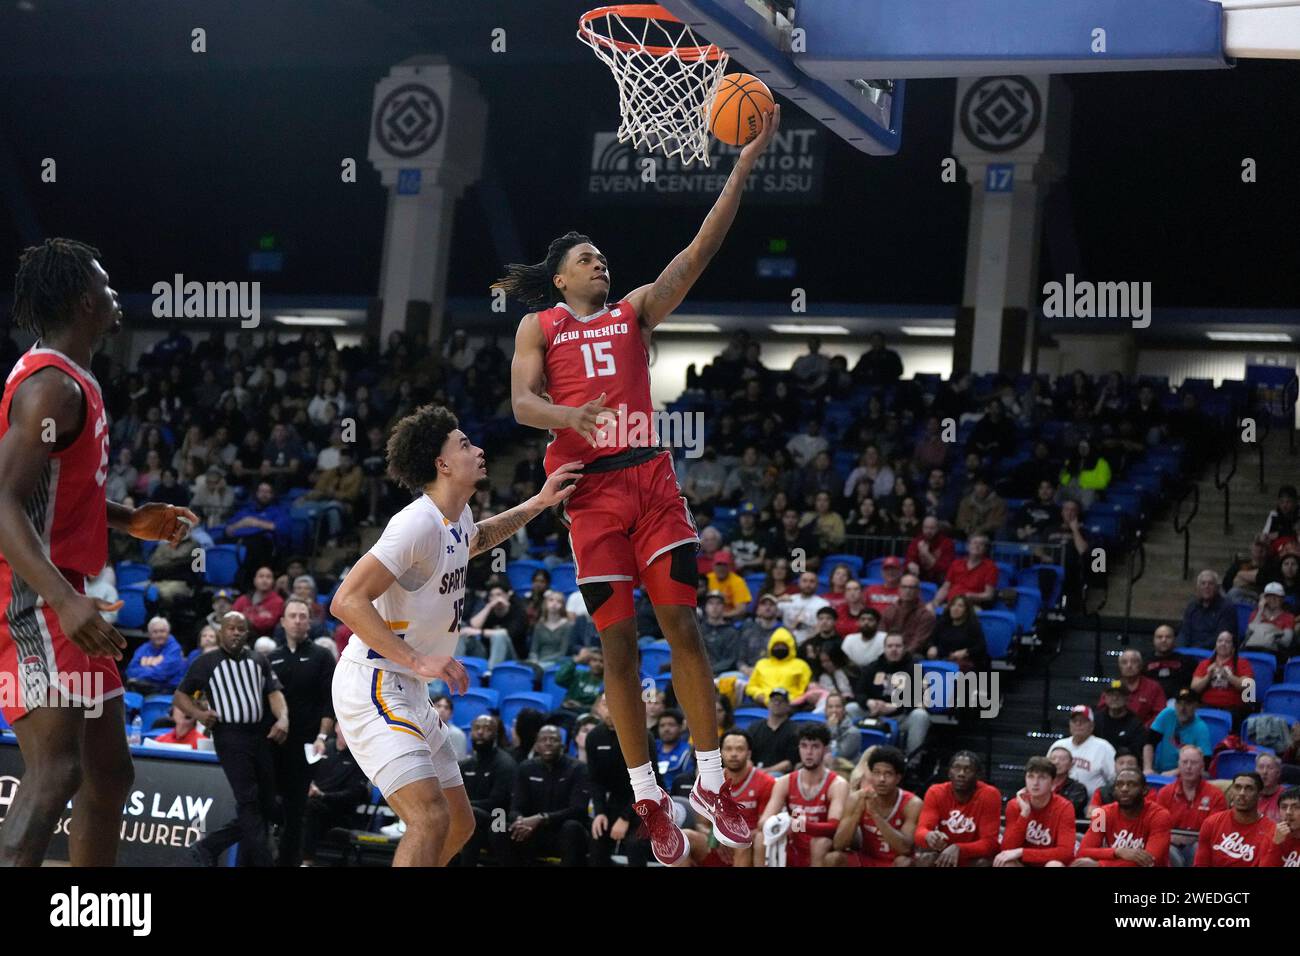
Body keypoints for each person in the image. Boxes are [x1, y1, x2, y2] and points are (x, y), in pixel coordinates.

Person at [505, 115, 783, 864]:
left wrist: (746, 162)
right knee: (618, 650)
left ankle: (708, 781)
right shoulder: (541, 326)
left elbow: (699, 250)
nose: (601, 264)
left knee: (684, 629)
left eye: (603, 257)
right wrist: (572, 415)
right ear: (561, 276)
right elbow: (522, 406)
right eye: (587, 259)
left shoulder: (633, 311)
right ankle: (649, 796)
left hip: (652, 481)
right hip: (590, 497)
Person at [0, 238, 200, 867]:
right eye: (108, 286)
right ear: (87, 300)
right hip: (34, 596)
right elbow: (2, 501)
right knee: (56, 773)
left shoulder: (69, 377)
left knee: (108, 774)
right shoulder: (52, 387)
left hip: (62, 591)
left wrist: (128, 518)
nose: (117, 297)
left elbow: (54, 494)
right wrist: (63, 601)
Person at [329, 403, 577, 867]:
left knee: (460, 823)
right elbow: (346, 601)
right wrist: (417, 659)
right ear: (442, 464)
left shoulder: (454, 519)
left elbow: (475, 540)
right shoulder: (415, 523)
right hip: (374, 683)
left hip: (410, 689)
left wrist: (538, 504)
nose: (479, 449)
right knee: (428, 818)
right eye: (465, 444)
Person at [176, 611, 289, 866]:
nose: (236, 632)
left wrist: (283, 719)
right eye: (231, 628)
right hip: (229, 735)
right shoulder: (206, 663)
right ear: (220, 632)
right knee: (249, 801)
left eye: (241, 628)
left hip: (260, 735)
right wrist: (199, 714)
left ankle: (207, 847)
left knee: (269, 804)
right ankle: (264, 862)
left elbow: (274, 693)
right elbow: (181, 696)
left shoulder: (259, 660)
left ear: (247, 633)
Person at [266, 596, 337, 866]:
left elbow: (330, 701)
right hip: (274, 745)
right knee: (266, 806)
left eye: (302, 616)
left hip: (307, 745)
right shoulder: (271, 659)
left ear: (309, 622)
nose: (297, 620)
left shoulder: (322, 656)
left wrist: (322, 737)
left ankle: (289, 863)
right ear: (282, 622)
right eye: (292, 616)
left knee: (296, 812)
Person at [490, 725, 591, 867]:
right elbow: (515, 807)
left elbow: (578, 810)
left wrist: (541, 818)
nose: (548, 743)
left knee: (572, 827)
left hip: (561, 831)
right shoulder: (525, 767)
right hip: (531, 830)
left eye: (553, 739)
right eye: (543, 740)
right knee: (498, 827)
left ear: (562, 745)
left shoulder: (578, 769)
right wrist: (520, 821)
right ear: (536, 746)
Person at [755, 725, 848, 868]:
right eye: (804, 746)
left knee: (821, 843)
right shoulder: (785, 782)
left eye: (815, 747)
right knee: (761, 837)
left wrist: (798, 825)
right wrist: (781, 822)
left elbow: (835, 827)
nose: (808, 752)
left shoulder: (837, 784)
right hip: (792, 841)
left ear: (826, 750)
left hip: (819, 845)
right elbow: (763, 822)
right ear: (798, 748)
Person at [587, 694, 658, 867]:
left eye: (615, 704)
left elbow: (649, 782)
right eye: (605, 705)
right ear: (597, 709)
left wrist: (625, 818)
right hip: (615, 802)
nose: (610, 710)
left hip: (645, 802)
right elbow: (595, 780)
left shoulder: (641, 735)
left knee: (634, 844)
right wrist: (600, 812)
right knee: (597, 839)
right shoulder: (594, 737)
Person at [690, 729, 773, 867]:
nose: (734, 754)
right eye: (728, 749)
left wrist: (733, 838)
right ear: (720, 752)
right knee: (687, 837)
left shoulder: (766, 782)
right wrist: (720, 838)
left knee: (741, 843)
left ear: (749, 753)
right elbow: (701, 824)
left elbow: (764, 828)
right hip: (716, 843)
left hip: (748, 847)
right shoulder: (710, 783)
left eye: (740, 749)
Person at [828, 746, 921, 868]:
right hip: (866, 859)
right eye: (877, 773)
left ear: (898, 778)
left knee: (905, 862)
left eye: (888, 774)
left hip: (893, 861)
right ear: (871, 774)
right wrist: (858, 813)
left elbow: (905, 849)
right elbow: (838, 844)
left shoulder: (912, 804)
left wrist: (875, 815)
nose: (881, 779)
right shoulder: (857, 798)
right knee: (833, 858)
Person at [912, 751, 1001, 867]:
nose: (961, 774)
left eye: (968, 769)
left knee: (983, 863)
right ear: (949, 772)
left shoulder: (989, 794)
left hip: (973, 856)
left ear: (978, 775)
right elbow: (920, 832)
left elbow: (990, 843)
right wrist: (929, 836)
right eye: (956, 768)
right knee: (924, 859)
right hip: (943, 854)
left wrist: (959, 848)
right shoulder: (935, 792)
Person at [300, 725, 371, 867]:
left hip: (340, 812)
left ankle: (306, 861)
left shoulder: (359, 757)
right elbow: (306, 776)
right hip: (315, 803)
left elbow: (353, 795)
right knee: (291, 804)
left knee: (310, 808)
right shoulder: (323, 748)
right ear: (336, 728)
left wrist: (323, 795)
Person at [854, 632, 932, 758]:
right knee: (851, 708)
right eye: (890, 646)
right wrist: (869, 703)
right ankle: (850, 754)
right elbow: (858, 693)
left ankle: (912, 761)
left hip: (901, 716)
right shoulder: (872, 667)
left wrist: (896, 706)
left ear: (904, 648)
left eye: (898, 646)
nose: (893, 649)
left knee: (920, 715)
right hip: (874, 712)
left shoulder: (914, 667)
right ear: (884, 648)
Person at [1074, 769, 1172, 867]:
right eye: (1119, 784)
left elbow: (1150, 861)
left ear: (1144, 790)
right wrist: (1117, 852)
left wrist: (1101, 865)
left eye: (1132, 784)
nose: (1124, 789)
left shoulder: (1160, 816)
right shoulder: (1101, 814)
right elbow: (1083, 851)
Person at [454, 715, 517, 868]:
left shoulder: (505, 764)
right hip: (471, 819)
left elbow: (498, 802)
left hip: (500, 819)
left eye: (487, 729)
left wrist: (464, 806)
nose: (481, 732)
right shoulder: (464, 765)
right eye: (477, 728)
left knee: (472, 816)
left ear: (495, 734)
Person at [995, 756, 1076, 867]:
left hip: (1047, 863)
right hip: (1022, 863)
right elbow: (1007, 849)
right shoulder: (1014, 805)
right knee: (1005, 862)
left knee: (1054, 865)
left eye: (1042, 778)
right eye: (1030, 777)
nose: (1035, 783)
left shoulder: (1065, 807)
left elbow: (1065, 853)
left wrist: (1022, 852)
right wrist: (1024, 814)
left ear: (1053, 783)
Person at [1155, 745, 1228, 867]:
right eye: (1184, 762)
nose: (1188, 767)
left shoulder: (1216, 795)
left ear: (1202, 766)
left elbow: (1216, 831)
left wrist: (1192, 838)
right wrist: (1171, 838)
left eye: (1193, 762)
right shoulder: (1165, 793)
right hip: (1172, 844)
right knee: (1165, 849)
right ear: (1179, 765)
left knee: (1199, 848)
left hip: (1201, 845)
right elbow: (1158, 827)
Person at [1195, 772, 1276, 867]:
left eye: (1249, 788)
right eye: (1237, 787)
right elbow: (1201, 863)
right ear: (1231, 792)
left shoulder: (1271, 830)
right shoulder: (1211, 823)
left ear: (1259, 794)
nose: (1242, 793)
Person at [1047, 705, 1117, 797]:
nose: (1078, 724)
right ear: (1069, 724)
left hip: (1092, 806)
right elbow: (1045, 772)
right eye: (1074, 721)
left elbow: (1114, 779)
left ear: (1092, 725)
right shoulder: (1058, 745)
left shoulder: (1104, 747)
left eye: (1083, 721)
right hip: (1058, 802)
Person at [1189, 630, 1255, 723]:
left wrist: (1229, 676)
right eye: (1220, 641)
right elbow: (1194, 688)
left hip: (1233, 709)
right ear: (1215, 645)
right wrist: (1208, 677)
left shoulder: (1242, 663)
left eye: (1227, 642)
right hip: (1207, 706)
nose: (1223, 644)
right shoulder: (1205, 664)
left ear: (1233, 647)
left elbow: (1248, 686)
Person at [1144, 688, 1212, 774]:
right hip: (1160, 772)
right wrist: (1147, 768)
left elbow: (1204, 764)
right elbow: (1149, 743)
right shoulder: (1167, 714)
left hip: (1186, 775)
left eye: (1188, 704)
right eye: (1179, 703)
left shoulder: (1201, 728)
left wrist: (1176, 772)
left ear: (1196, 706)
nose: (1182, 708)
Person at [743, 628, 812, 708]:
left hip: (791, 704)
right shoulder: (761, 664)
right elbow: (751, 686)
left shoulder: (801, 665)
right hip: (762, 703)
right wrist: (759, 695)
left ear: (790, 647)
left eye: (783, 646)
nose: (779, 648)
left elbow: (804, 690)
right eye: (776, 646)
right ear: (770, 647)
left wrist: (790, 700)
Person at [1097, 648, 1166, 727]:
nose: (1129, 666)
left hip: (1145, 732)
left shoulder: (1153, 687)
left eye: (1133, 662)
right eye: (1124, 662)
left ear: (1140, 665)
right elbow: (1101, 710)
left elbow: (1161, 715)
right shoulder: (1112, 686)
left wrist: (1143, 728)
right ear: (1120, 667)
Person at [930, 533, 999, 610]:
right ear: (967, 547)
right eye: (974, 543)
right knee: (928, 609)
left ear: (985, 549)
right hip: (950, 603)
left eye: (981, 544)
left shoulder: (990, 567)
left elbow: (989, 595)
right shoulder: (956, 563)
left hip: (972, 605)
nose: (977, 546)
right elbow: (945, 588)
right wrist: (936, 602)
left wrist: (971, 596)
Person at [124, 616, 188, 695]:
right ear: (150, 634)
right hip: (142, 687)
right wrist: (150, 670)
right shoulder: (143, 648)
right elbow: (130, 671)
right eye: (155, 632)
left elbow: (162, 674)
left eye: (162, 631)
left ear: (168, 633)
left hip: (168, 691)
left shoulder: (175, 649)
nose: (159, 635)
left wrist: (142, 671)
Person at [1178, 570, 1239, 650]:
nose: (1206, 586)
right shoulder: (1192, 606)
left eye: (1210, 584)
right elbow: (1184, 633)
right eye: (1203, 583)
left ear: (1217, 587)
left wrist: (1195, 650)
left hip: (1213, 653)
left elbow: (1221, 638)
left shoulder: (1227, 608)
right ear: (1198, 587)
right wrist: (1181, 649)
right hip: (1190, 652)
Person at [928, 594, 990, 671]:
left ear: (966, 610)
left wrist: (966, 652)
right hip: (942, 661)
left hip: (964, 664)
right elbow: (932, 640)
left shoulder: (973, 626)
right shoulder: (942, 624)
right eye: (953, 605)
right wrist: (932, 647)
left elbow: (980, 647)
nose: (955, 609)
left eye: (960, 606)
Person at [747, 687, 800, 774]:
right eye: (773, 700)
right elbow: (746, 753)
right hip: (754, 772)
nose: (777, 703)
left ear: (788, 706)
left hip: (780, 775)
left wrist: (764, 772)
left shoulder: (794, 730)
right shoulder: (755, 728)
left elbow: (790, 762)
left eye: (781, 701)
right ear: (768, 704)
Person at [881, 574, 936, 657]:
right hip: (889, 654)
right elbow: (882, 636)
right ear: (899, 589)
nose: (908, 590)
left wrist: (900, 656)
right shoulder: (889, 611)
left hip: (911, 656)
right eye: (904, 587)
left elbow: (918, 643)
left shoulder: (925, 615)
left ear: (918, 591)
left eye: (911, 587)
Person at [1093, 681, 1148, 753]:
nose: (1115, 698)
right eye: (1111, 695)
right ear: (1105, 698)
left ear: (1127, 698)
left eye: (1119, 695)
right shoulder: (1096, 719)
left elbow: (1136, 751)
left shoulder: (1136, 724)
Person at [780, 571, 831, 646]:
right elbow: (765, 612)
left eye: (812, 581)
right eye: (804, 581)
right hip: (785, 643)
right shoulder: (788, 600)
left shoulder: (823, 604)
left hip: (810, 644)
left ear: (817, 585)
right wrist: (778, 599)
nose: (808, 584)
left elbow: (823, 629)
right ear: (799, 583)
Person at [233, 566, 285, 639]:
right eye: (261, 576)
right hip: (242, 637)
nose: (264, 580)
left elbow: (267, 624)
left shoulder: (278, 601)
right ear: (255, 580)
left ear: (273, 581)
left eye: (268, 577)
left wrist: (246, 620)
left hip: (267, 639)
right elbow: (233, 617)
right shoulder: (243, 599)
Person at [1146, 624, 1195, 700]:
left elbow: (1192, 687)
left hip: (1178, 702)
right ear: (1154, 640)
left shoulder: (1187, 661)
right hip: (1150, 701)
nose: (1163, 640)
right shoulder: (1144, 662)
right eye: (1159, 637)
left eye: (1168, 637)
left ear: (1174, 640)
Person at [1243, 582, 1295, 655]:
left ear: (1282, 599)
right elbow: (1248, 634)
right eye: (1269, 596)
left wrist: (1268, 634)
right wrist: (1260, 611)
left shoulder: (1288, 617)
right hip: (1252, 649)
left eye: (1276, 596)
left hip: (1274, 652)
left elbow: (1286, 641)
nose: (1273, 599)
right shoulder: (1256, 614)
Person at [653, 709, 695, 794]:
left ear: (681, 727)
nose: (666, 729)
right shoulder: (652, 747)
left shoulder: (688, 750)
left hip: (677, 796)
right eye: (662, 725)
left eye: (671, 725)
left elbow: (687, 780)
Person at [905, 516, 955, 585]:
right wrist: (911, 563)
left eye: (932, 528)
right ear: (922, 528)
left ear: (937, 528)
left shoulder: (947, 543)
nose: (928, 531)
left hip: (938, 578)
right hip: (920, 575)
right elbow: (909, 557)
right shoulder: (917, 541)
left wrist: (926, 554)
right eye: (926, 528)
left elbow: (945, 567)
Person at [699, 592, 740, 675]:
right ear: (705, 607)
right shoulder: (698, 630)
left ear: (724, 607)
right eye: (711, 603)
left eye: (718, 603)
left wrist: (711, 670)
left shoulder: (732, 632)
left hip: (723, 674)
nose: (714, 607)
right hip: (699, 672)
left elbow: (731, 659)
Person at [705, 550, 751, 620]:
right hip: (708, 618)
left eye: (724, 565)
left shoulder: (737, 581)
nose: (721, 568)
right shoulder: (708, 578)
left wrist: (720, 616)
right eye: (718, 565)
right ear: (713, 566)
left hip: (729, 619)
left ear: (730, 567)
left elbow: (741, 610)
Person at [1262, 786, 1300, 867]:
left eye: (1296, 807)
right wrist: (1276, 845)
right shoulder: (1273, 834)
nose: (1288, 812)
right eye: (1284, 807)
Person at [1047, 746, 1090, 817]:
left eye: (1062, 759)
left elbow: (1067, 809)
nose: (1056, 762)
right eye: (1053, 759)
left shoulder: (1078, 788)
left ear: (1071, 764)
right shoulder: (1041, 784)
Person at [1256, 752, 1286, 822]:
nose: (1265, 772)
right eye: (1261, 767)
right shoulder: (1249, 794)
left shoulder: (1286, 795)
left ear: (1278, 773)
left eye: (1270, 768)